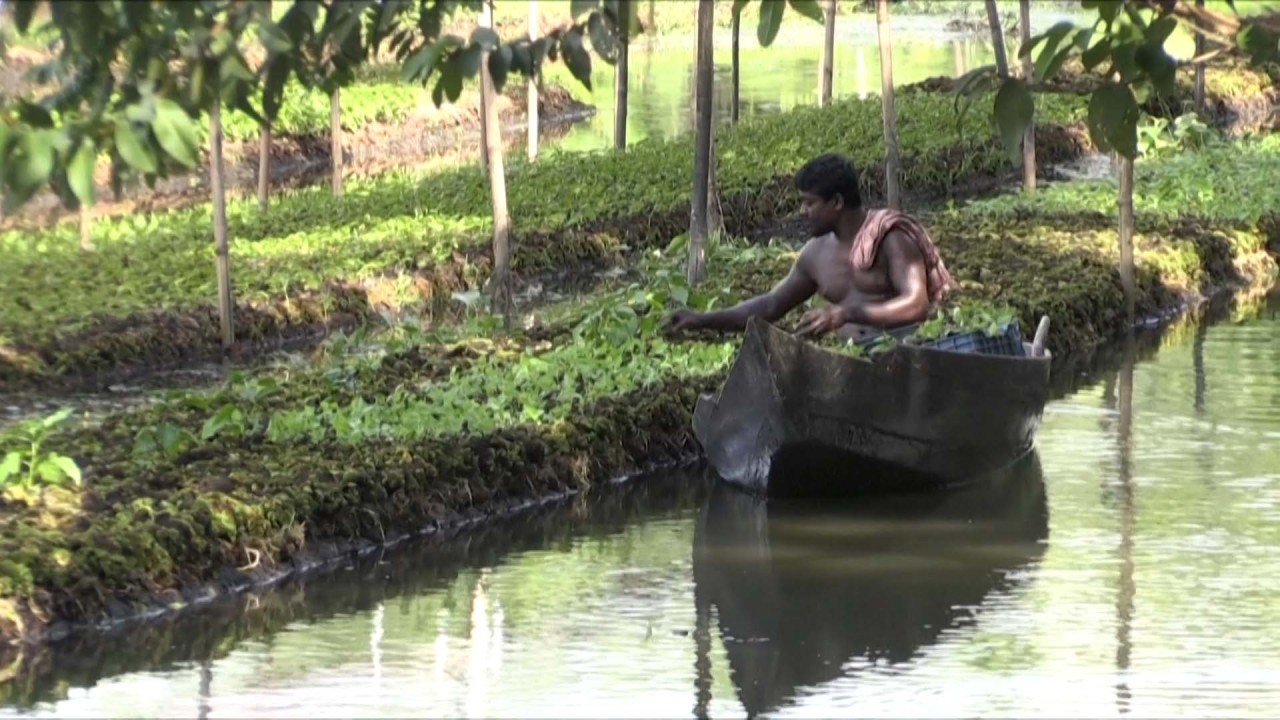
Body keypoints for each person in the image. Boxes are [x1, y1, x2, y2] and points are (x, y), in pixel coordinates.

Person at [665, 153, 955, 341]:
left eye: (810, 203)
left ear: (837, 202)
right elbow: (771, 305)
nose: (804, 211)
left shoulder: (891, 239)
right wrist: (701, 319)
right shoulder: (815, 254)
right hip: (852, 360)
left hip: (908, 354)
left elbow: (916, 305)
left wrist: (844, 313)